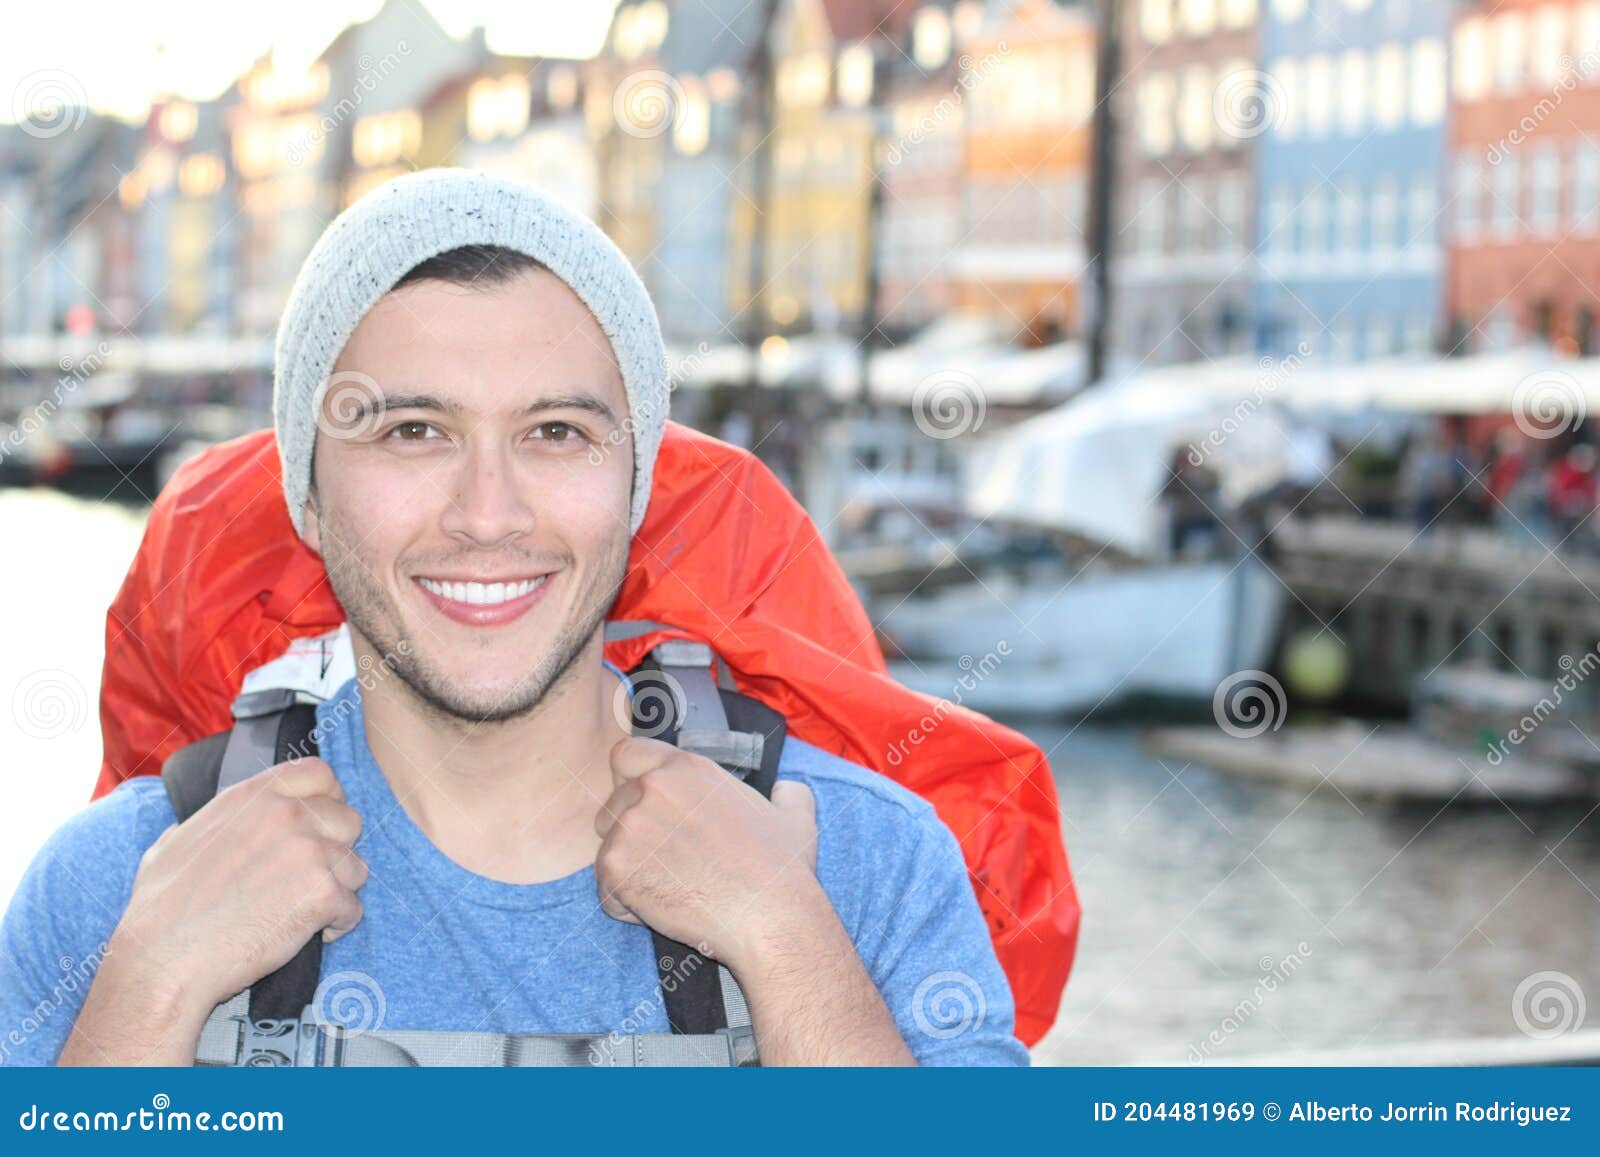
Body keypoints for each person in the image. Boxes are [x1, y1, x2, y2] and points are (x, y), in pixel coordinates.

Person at [0, 170, 1025, 1067]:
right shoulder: (118, 894)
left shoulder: (861, 863)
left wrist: (786, 939)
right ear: (307, 497)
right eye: (412, 430)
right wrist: (143, 999)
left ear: (633, 489)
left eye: (555, 431)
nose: (487, 514)